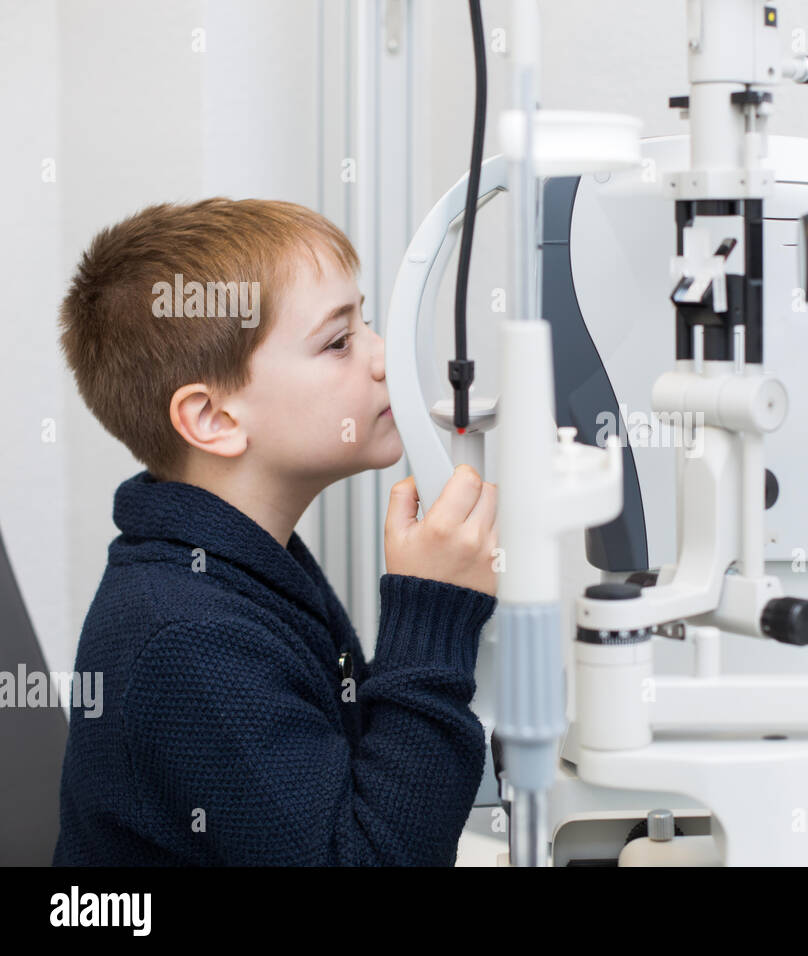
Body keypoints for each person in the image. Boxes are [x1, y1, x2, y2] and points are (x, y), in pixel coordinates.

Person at [51, 198, 497, 865]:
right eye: (339, 342)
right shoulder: (185, 634)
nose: (383, 358)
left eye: (367, 324)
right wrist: (431, 616)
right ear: (213, 418)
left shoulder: (247, 570)